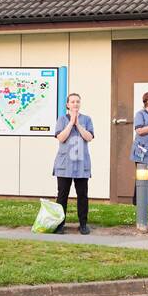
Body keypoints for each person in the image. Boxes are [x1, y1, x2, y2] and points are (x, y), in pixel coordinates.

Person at [52, 93, 95, 234]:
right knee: (62, 195)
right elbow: (61, 137)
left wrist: (78, 124)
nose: (75, 104)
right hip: (65, 163)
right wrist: (71, 123)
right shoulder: (62, 119)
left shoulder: (87, 119)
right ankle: (60, 224)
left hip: (81, 164)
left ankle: (83, 224)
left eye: (77, 101)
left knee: (82, 195)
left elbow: (89, 137)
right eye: (72, 101)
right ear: (67, 105)